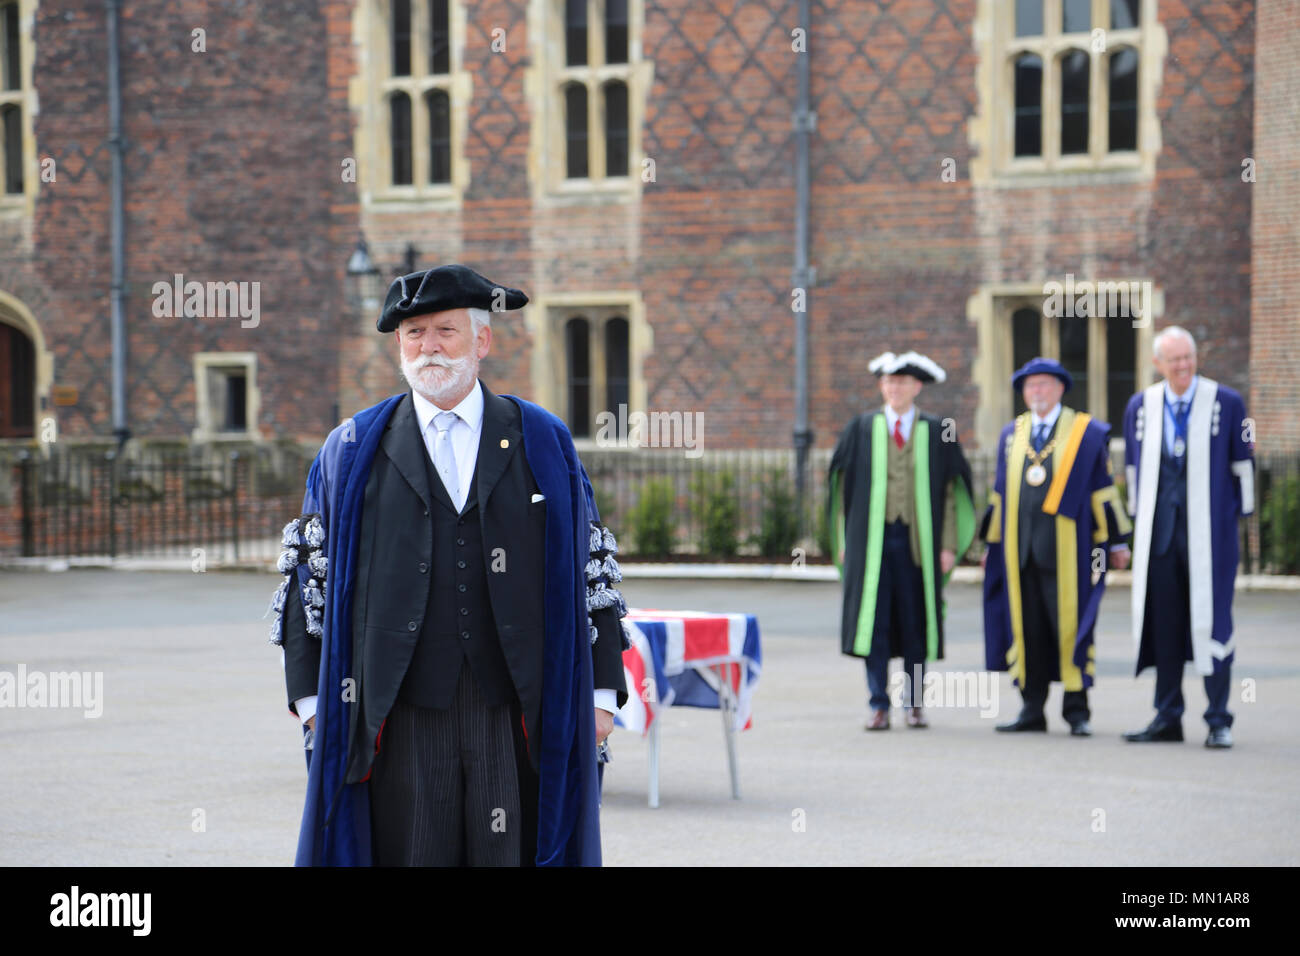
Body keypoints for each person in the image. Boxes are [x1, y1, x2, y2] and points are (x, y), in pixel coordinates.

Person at [267, 263, 629, 866]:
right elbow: (309, 576)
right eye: (414, 334)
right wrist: (310, 702)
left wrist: (600, 693)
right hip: (398, 710)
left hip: (513, 706)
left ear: (482, 340)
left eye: (445, 331)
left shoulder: (542, 439)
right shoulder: (354, 448)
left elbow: (592, 569)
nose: (428, 347)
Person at [980, 357, 1131, 736]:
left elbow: (1103, 489)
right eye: (1030, 386)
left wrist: (1116, 542)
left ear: (1061, 388)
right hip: (1020, 552)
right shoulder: (1012, 434)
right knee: (1026, 627)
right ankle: (1032, 708)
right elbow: (1000, 493)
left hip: (1071, 551)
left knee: (1071, 625)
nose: (1037, 392)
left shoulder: (1085, 432)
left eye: (1045, 384)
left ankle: (1077, 711)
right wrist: (992, 546)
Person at [828, 350, 976, 730]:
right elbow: (843, 488)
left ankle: (914, 704)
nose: (895, 388)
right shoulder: (860, 428)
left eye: (903, 382)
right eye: (890, 382)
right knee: (873, 624)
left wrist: (947, 545)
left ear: (917, 387)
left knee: (915, 624)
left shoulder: (938, 428)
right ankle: (878, 703)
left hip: (918, 545)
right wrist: (845, 537)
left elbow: (950, 491)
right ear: (881, 385)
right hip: (871, 544)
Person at [1121, 326, 1254, 749]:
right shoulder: (1142, 406)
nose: (1182, 366)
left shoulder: (1228, 402)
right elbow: (1133, 474)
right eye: (1173, 359)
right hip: (1159, 541)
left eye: (1188, 358)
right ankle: (1167, 715)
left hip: (1209, 540)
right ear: (1158, 364)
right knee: (1165, 626)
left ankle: (1218, 719)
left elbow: (1244, 468)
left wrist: (1234, 520)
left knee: (1214, 623)